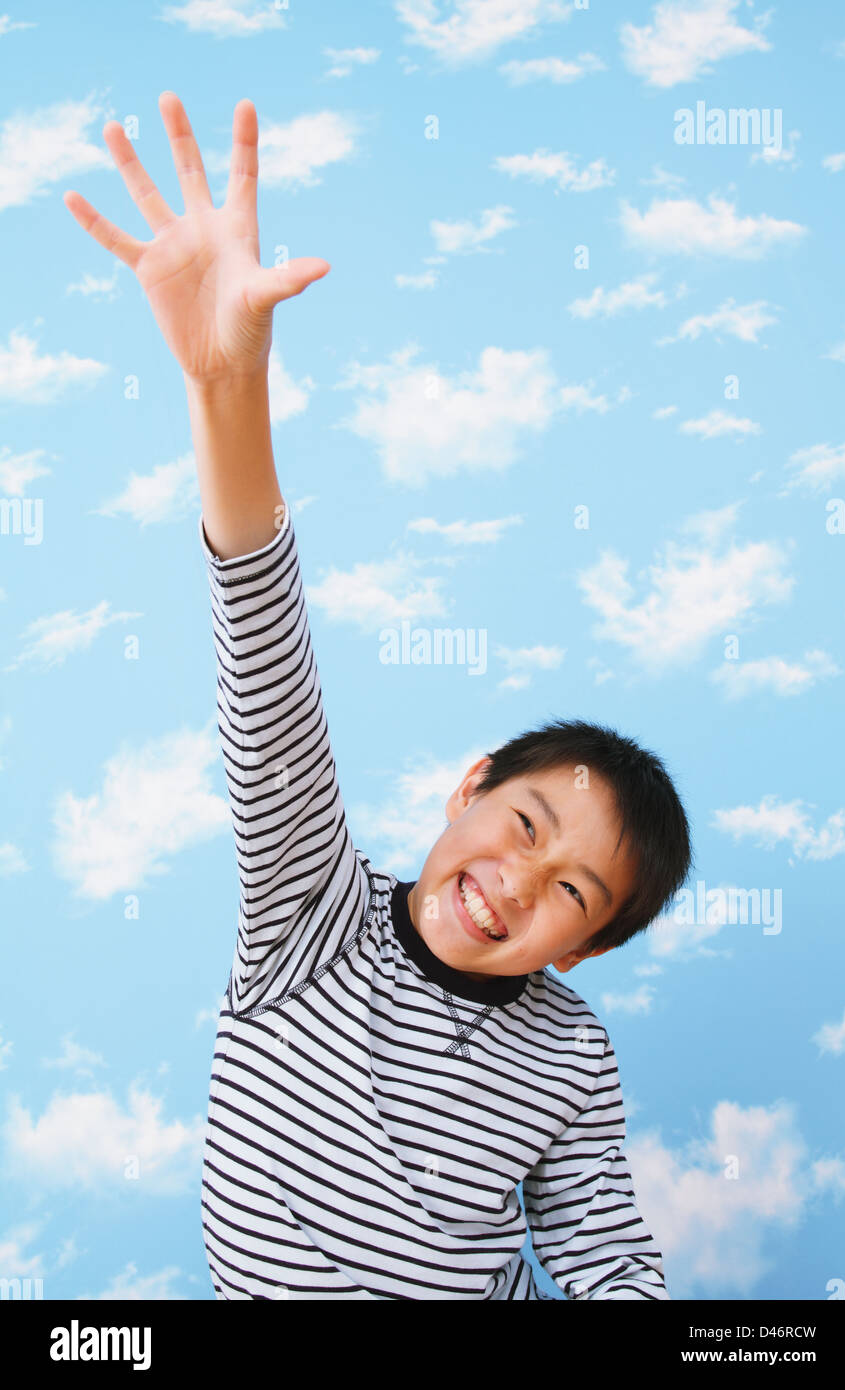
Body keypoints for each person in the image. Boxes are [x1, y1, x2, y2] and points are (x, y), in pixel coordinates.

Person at [64, 92, 693, 1300]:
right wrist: (224, 387)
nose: (516, 882)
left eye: (571, 891)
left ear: (589, 947)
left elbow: (605, 1255)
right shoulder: (311, 916)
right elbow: (266, 677)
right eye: (521, 825)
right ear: (468, 790)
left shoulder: (567, 1053)